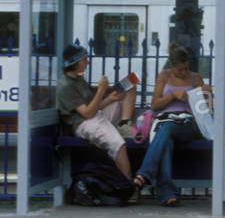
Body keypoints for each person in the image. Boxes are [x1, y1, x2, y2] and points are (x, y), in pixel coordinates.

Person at [135, 44, 212, 207]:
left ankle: (145, 173)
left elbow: (205, 109)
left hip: (187, 123)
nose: (183, 73)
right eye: (179, 70)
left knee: (166, 129)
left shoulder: (195, 78)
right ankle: (167, 194)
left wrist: (206, 93)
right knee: (167, 141)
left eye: (185, 69)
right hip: (165, 120)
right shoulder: (164, 75)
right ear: (172, 66)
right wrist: (172, 96)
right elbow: (154, 105)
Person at [56, 43, 137, 183]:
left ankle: (124, 124)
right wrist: (100, 90)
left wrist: (111, 98)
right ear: (77, 62)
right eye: (85, 59)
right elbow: (87, 114)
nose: (88, 62)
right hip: (84, 124)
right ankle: (128, 186)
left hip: (96, 116)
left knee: (129, 86)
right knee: (119, 145)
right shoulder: (65, 86)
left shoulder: (78, 79)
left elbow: (93, 107)